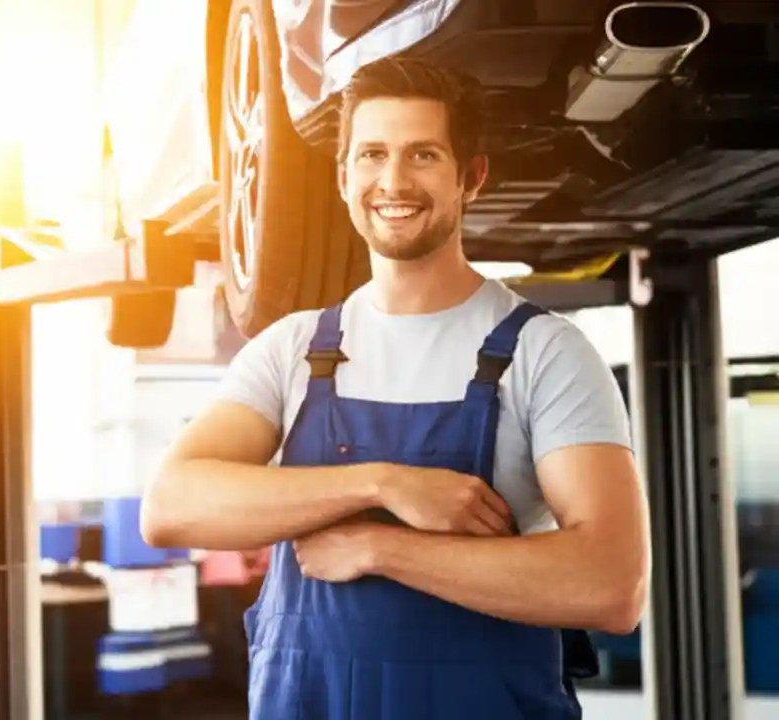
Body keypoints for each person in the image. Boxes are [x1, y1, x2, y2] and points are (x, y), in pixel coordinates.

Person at [140, 55, 650, 719]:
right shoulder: (294, 350)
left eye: (424, 155)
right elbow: (171, 506)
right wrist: (383, 484)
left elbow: (612, 584)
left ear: (472, 178)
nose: (393, 181)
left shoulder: (543, 353)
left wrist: (382, 549)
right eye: (372, 154)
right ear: (342, 175)